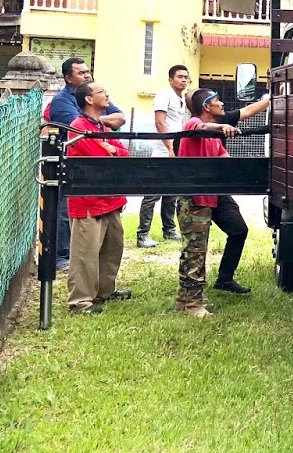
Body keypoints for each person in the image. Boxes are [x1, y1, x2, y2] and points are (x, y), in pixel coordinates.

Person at [173, 86, 270, 315]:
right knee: (195, 250)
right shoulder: (193, 124)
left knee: (236, 231)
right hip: (195, 198)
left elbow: (224, 159)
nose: (223, 105)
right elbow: (201, 127)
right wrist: (221, 126)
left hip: (215, 194)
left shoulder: (215, 137)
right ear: (207, 106)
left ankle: (207, 288)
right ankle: (191, 303)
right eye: (218, 101)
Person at [44, 58, 125, 271]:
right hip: (72, 163)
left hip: (100, 169)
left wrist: (98, 121)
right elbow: (80, 128)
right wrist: (97, 121)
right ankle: (62, 256)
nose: (86, 75)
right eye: (81, 73)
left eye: (87, 71)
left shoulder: (95, 94)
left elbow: (120, 119)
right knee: (66, 212)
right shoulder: (62, 101)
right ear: (68, 77)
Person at [65, 81, 131, 314]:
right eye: (102, 92)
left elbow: (123, 153)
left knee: (113, 247)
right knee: (85, 253)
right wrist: (111, 151)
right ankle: (80, 301)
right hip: (88, 201)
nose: (107, 95)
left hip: (110, 199)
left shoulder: (101, 127)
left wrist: (114, 150)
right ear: (89, 99)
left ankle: (105, 290)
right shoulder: (79, 127)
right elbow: (101, 157)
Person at [137, 63, 192, 248]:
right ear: (171, 79)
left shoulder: (182, 97)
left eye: (186, 77)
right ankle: (142, 233)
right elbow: (160, 123)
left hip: (177, 148)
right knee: (152, 193)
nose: (184, 80)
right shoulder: (164, 94)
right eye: (180, 77)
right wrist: (169, 148)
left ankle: (169, 229)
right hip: (163, 151)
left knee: (172, 193)